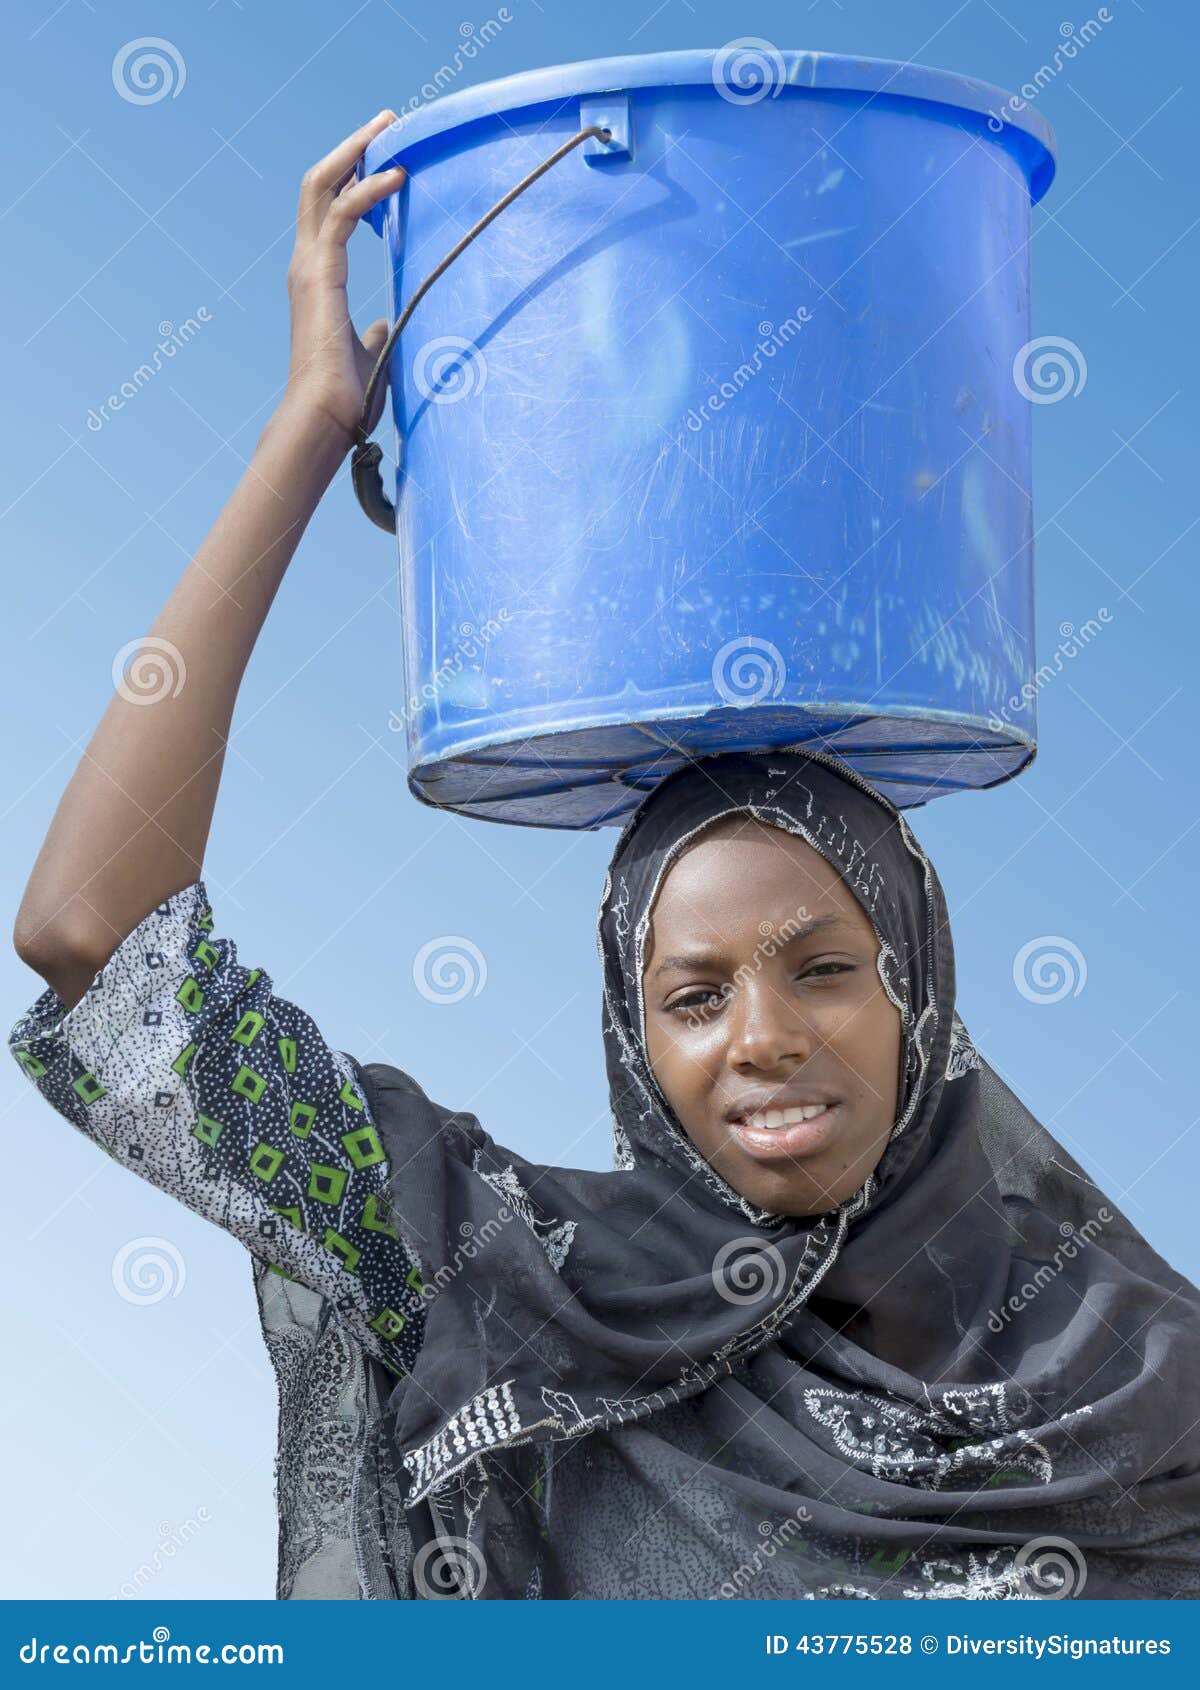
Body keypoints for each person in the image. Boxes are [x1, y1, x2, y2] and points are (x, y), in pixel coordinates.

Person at [10, 115, 1200, 1603]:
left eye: (823, 968)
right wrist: (311, 428)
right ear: (630, 1038)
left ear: (923, 989)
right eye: (691, 994)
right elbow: (91, 931)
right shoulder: (507, 1285)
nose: (762, 1038)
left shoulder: (1139, 1375)